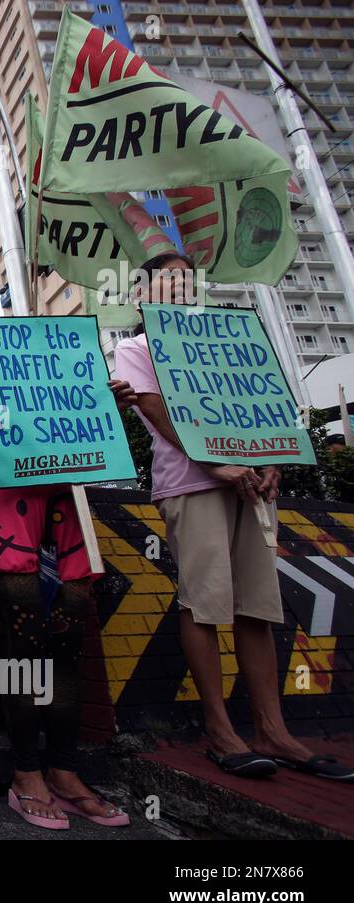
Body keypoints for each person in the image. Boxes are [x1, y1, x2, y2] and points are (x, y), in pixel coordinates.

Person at [114, 253, 354, 783]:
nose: (179, 291)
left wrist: (271, 459)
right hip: (192, 485)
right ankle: (220, 730)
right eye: (167, 283)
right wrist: (214, 463)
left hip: (252, 489)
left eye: (185, 282)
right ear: (143, 295)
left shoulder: (228, 344)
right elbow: (153, 407)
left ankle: (273, 730)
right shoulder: (136, 347)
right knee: (203, 603)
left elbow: (266, 405)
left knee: (258, 608)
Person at [0, 334, 135, 829]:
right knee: (24, 651)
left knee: (66, 649)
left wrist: (105, 405)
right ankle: (27, 773)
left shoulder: (57, 393)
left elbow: (98, 450)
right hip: (3, 533)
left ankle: (65, 773)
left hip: (65, 529)